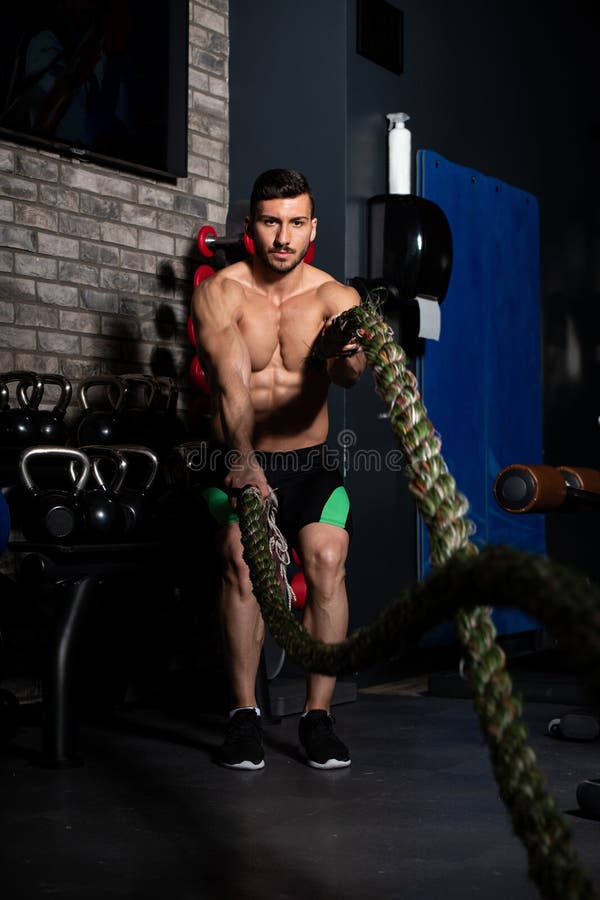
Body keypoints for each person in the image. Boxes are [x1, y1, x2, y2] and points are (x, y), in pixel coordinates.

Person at [191, 169, 366, 770]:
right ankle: (244, 715)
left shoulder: (336, 299)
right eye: (271, 222)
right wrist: (243, 460)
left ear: (312, 227)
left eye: (296, 223)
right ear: (250, 229)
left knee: (327, 558)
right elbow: (233, 383)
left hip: (312, 466)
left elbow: (348, 377)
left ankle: (318, 716)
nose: (283, 237)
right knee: (243, 560)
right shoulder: (221, 293)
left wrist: (347, 351)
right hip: (238, 461)